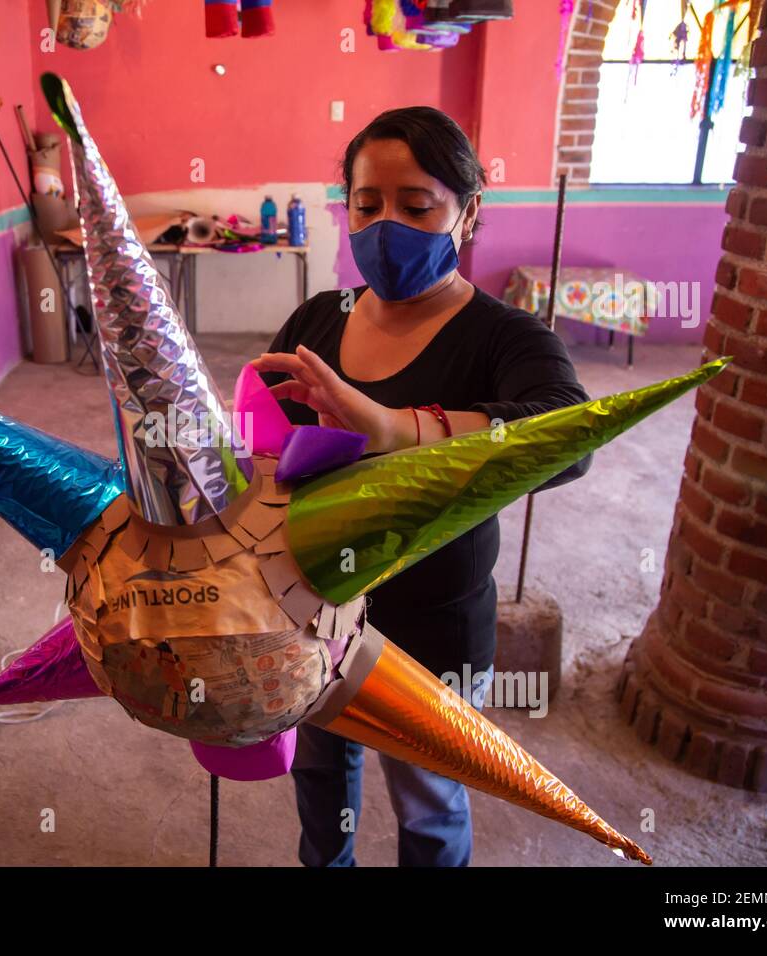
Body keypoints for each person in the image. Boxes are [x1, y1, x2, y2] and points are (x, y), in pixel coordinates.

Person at [253, 106, 591, 867]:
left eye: (416, 207)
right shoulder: (318, 321)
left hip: (434, 632)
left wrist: (393, 426)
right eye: (366, 206)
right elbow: (260, 448)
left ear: (468, 213)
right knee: (320, 778)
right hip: (320, 613)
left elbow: (568, 440)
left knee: (431, 802)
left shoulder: (506, 338)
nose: (384, 227)